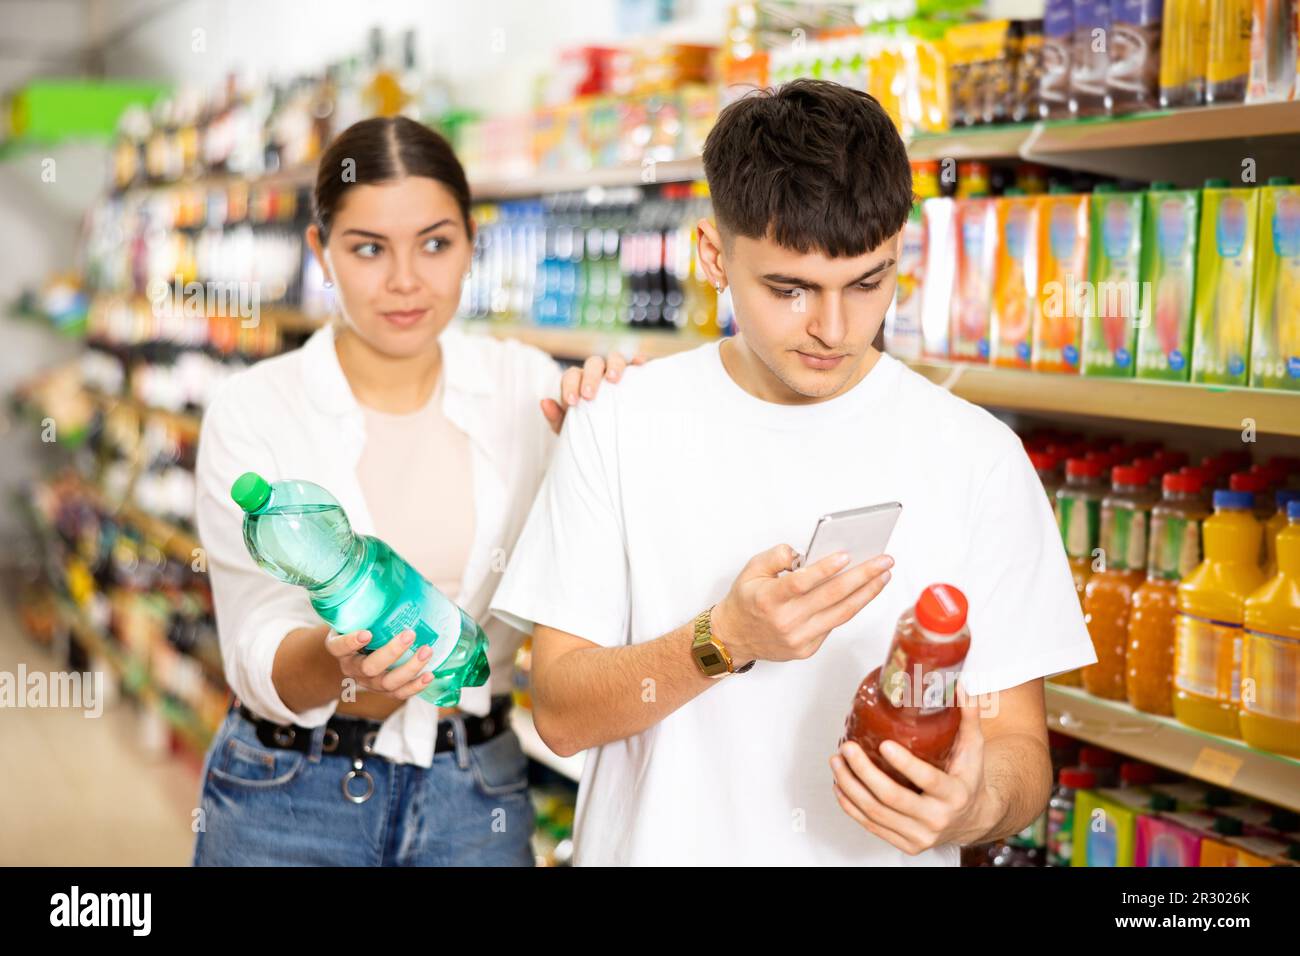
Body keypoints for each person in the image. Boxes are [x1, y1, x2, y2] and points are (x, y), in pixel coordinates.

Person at [489, 79, 1098, 866]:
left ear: (899, 254)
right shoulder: (617, 421)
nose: (833, 329)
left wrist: (969, 807)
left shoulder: (977, 455)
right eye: (790, 289)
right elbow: (563, 713)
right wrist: (727, 638)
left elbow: (1019, 746)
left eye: (866, 284)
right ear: (713, 255)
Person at [192, 116, 638, 866]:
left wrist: (616, 429)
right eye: (368, 249)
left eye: (436, 243)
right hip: (287, 796)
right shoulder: (254, 410)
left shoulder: (525, 386)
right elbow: (254, 645)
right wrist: (342, 663)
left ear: (472, 241)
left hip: (474, 794)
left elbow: (615, 564)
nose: (406, 281)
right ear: (321, 254)